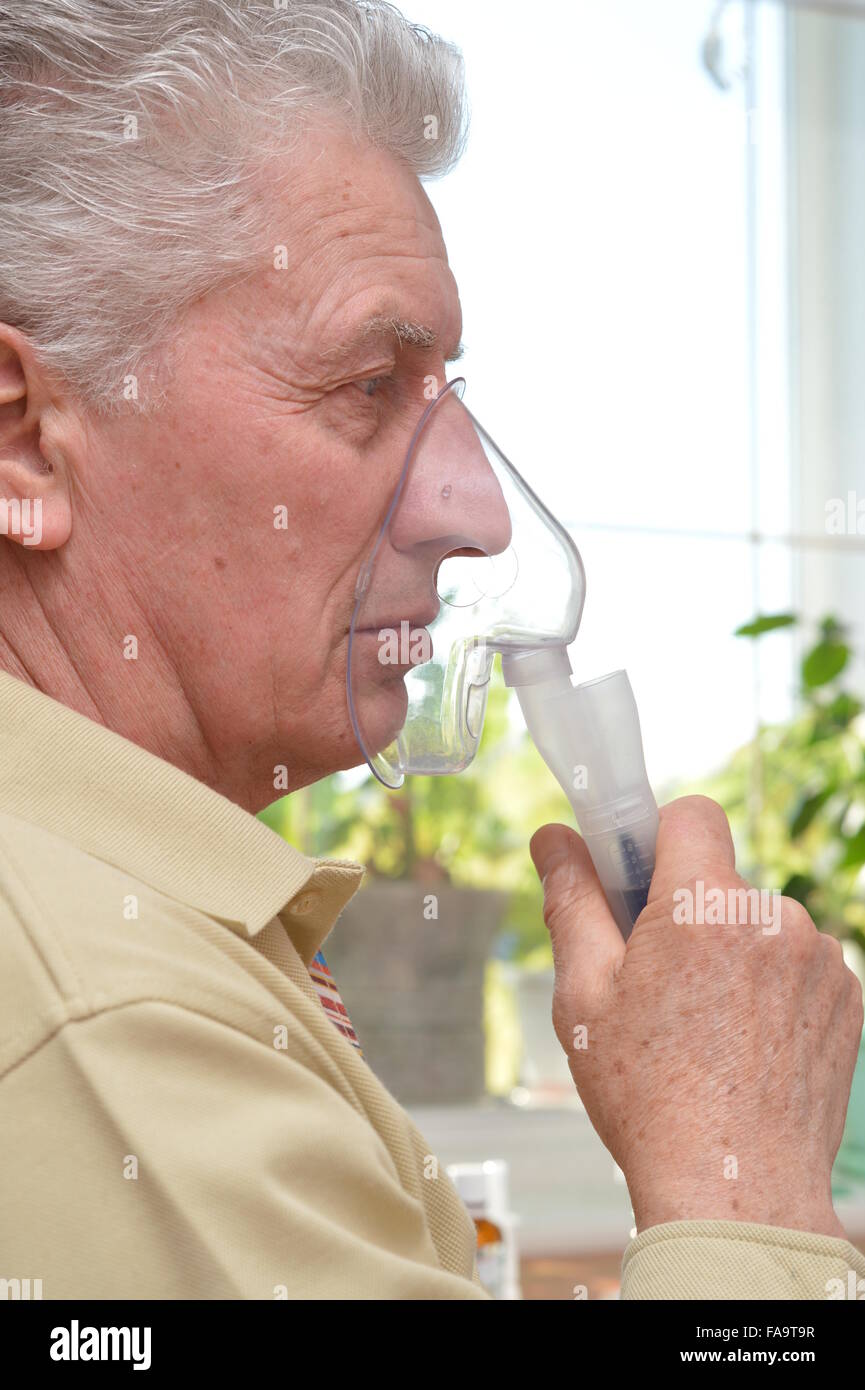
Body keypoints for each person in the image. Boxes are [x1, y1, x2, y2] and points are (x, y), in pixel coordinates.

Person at [0, 0, 862, 1300]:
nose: (479, 510)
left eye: (446, 389)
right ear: (25, 443)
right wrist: (736, 1181)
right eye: (363, 386)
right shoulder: (117, 1026)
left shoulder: (142, 933)